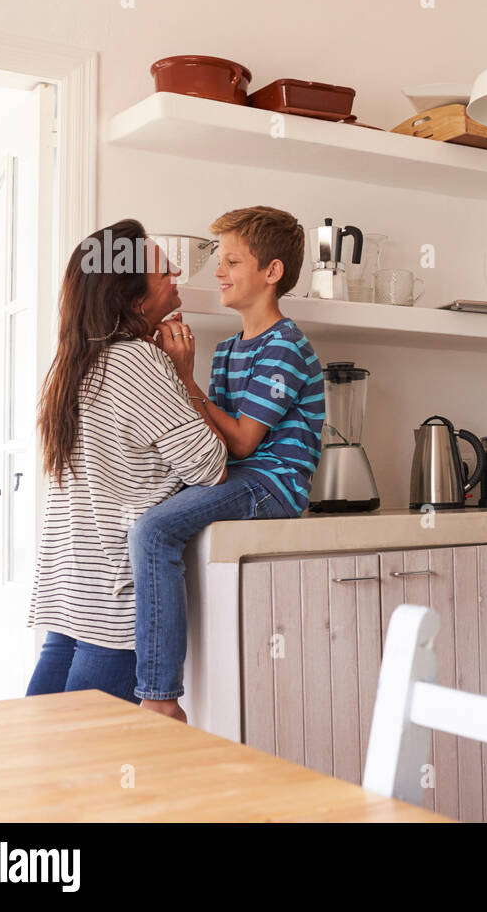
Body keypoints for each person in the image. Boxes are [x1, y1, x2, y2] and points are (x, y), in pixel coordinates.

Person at [129, 206, 324, 722]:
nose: (218, 272)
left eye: (232, 261)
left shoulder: (286, 347)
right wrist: (177, 377)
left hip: (272, 486)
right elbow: (209, 442)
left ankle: (159, 698)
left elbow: (240, 442)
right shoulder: (229, 350)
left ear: (271, 273)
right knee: (147, 518)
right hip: (240, 478)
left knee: (153, 530)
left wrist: (186, 382)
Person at [27, 220, 228, 702]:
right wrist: (183, 375)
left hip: (71, 595)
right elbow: (209, 466)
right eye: (164, 269)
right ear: (134, 297)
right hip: (114, 605)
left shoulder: (74, 364)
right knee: (87, 763)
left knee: (43, 757)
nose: (178, 270)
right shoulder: (137, 360)